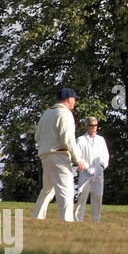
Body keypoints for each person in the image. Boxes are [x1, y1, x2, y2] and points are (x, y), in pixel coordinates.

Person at [31, 88, 87, 221]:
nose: (75, 102)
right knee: (66, 190)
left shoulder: (46, 114)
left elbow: (37, 137)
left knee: (48, 190)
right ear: (69, 99)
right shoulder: (65, 113)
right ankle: (67, 221)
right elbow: (68, 139)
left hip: (45, 156)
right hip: (58, 155)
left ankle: (37, 217)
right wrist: (77, 159)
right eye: (74, 99)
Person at [73, 117, 111, 222]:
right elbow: (77, 156)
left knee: (97, 197)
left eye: (95, 125)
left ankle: (96, 220)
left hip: (98, 173)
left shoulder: (101, 140)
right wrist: (87, 168)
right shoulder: (80, 140)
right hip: (85, 173)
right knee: (82, 197)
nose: (94, 128)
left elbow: (105, 156)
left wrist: (101, 167)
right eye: (91, 125)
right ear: (87, 126)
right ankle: (78, 219)